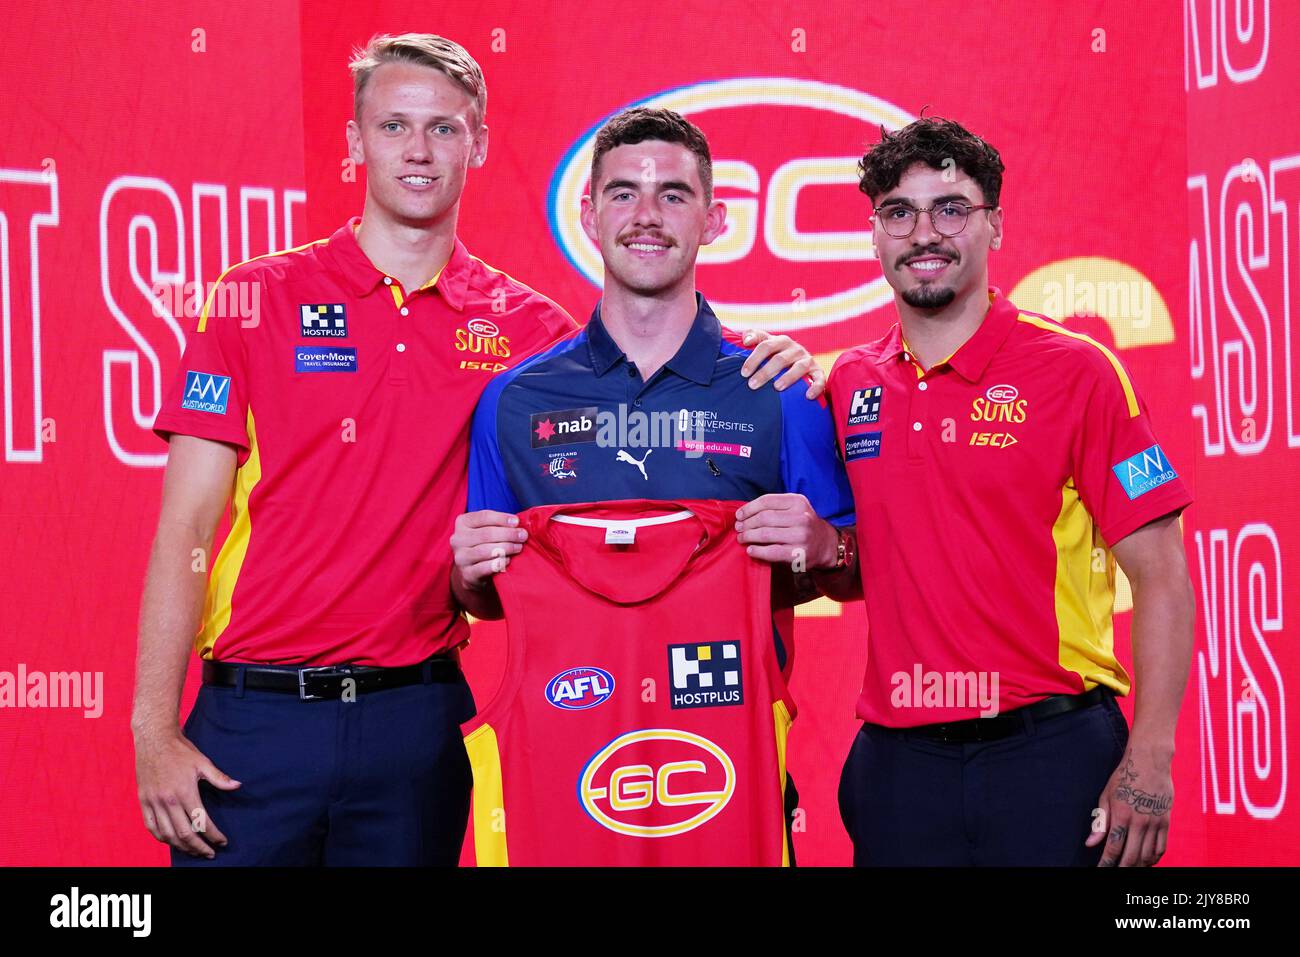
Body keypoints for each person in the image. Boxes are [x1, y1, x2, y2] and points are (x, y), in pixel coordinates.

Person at [132, 35, 815, 867]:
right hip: (253, 717)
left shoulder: (531, 338)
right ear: (354, 143)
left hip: (417, 719)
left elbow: (652, 383)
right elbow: (186, 526)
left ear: (479, 144)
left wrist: (780, 361)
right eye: (393, 127)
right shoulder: (251, 299)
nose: (419, 152)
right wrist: (152, 726)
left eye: (445, 130)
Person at [450, 108, 857, 864]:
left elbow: (858, 568)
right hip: (560, 795)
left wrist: (827, 543)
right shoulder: (515, 401)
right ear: (588, 215)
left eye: (673, 194)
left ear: (714, 219)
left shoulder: (780, 389)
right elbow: (483, 596)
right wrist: (466, 570)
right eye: (623, 193)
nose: (647, 215)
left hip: (732, 796)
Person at [827, 117, 1194, 867]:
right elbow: (856, 562)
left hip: (1051, 755)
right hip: (900, 770)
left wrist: (1150, 761)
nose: (924, 232)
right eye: (898, 212)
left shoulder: (1079, 373)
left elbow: (1162, 578)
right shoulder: (843, 383)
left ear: (994, 226)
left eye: (951, 208)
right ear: (874, 237)